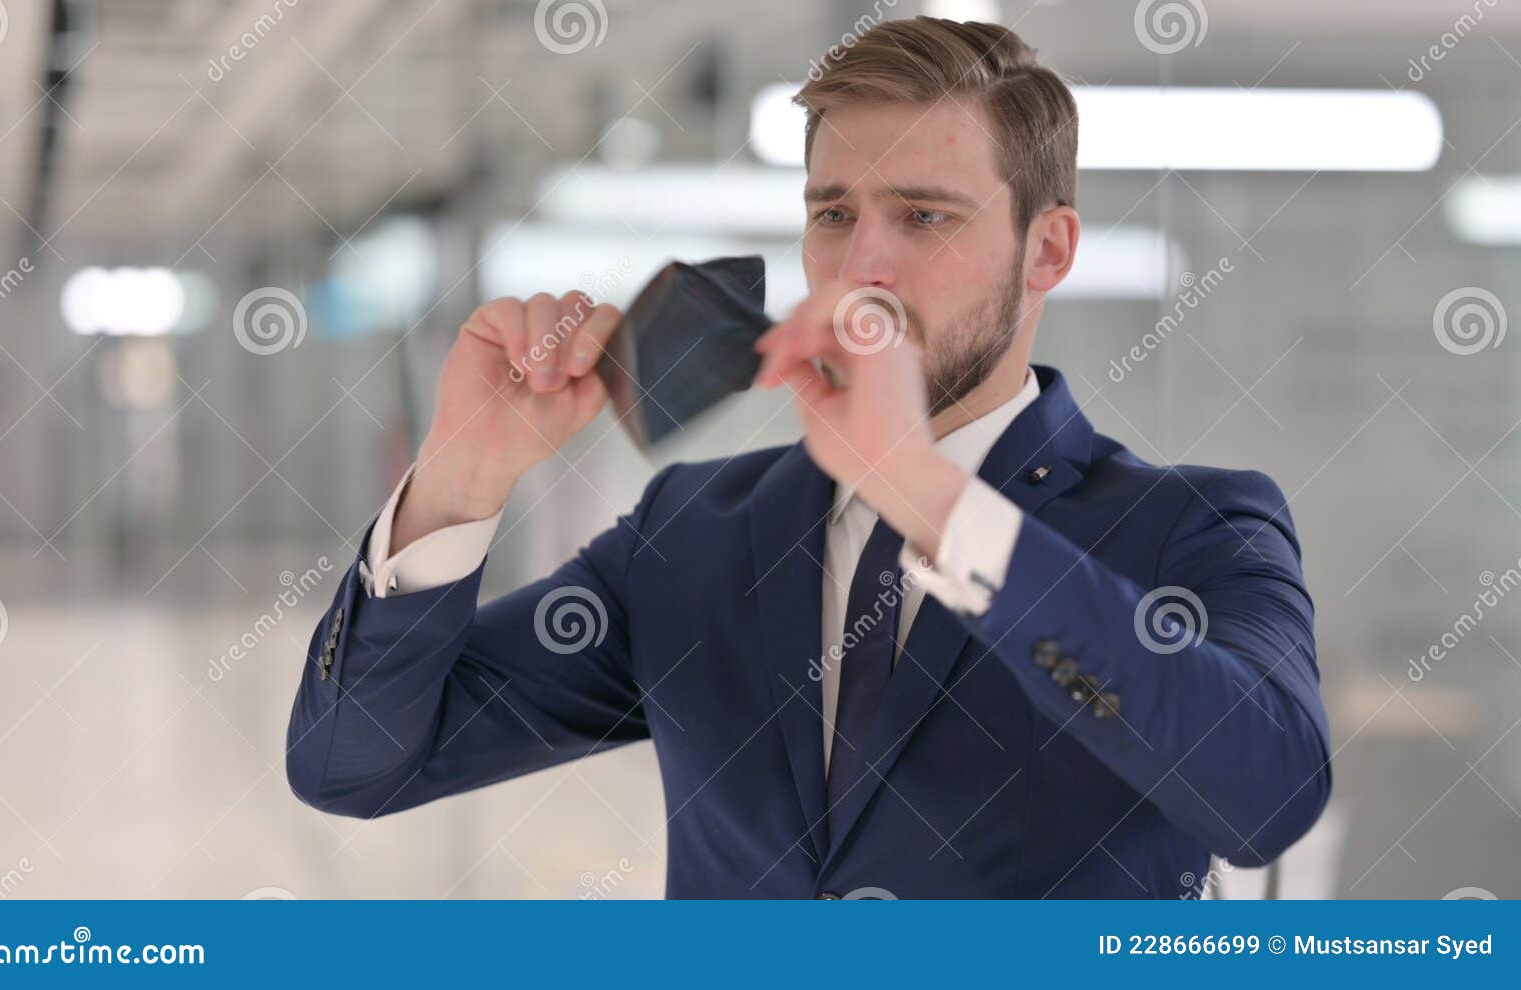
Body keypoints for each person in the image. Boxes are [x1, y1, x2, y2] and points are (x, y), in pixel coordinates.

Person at [285, 17, 1331, 899]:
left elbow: (1266, 791)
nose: (863, 262)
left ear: (1047, 249)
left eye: (923, 215)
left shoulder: (1189, 527)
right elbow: (353, 766)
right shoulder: (693, 532)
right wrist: (462, 482)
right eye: (834, 214)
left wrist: (922, 493)